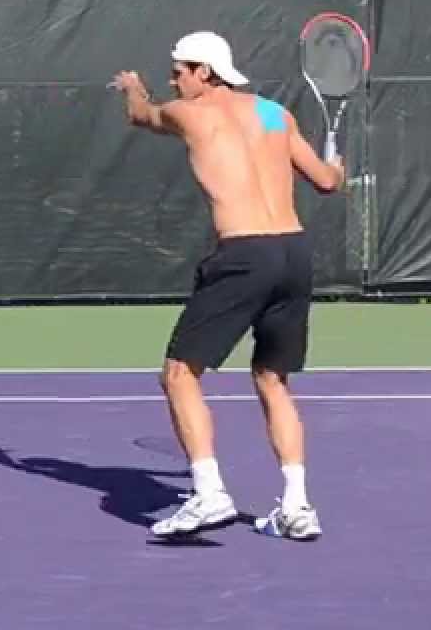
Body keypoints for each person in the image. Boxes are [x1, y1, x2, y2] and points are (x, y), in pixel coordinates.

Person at [109, 31, 345, 541]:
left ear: (205, 72)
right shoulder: (272, 113)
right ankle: (297, 508)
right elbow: (326, 181)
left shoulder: (188, 113)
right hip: (294, 254)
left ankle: (210, 494)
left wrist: (132, 86)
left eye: (179, 70)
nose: (173, 78)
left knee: (178, 374)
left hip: (245, 255)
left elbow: (139, 114)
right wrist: (339, 168)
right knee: (273, 379)